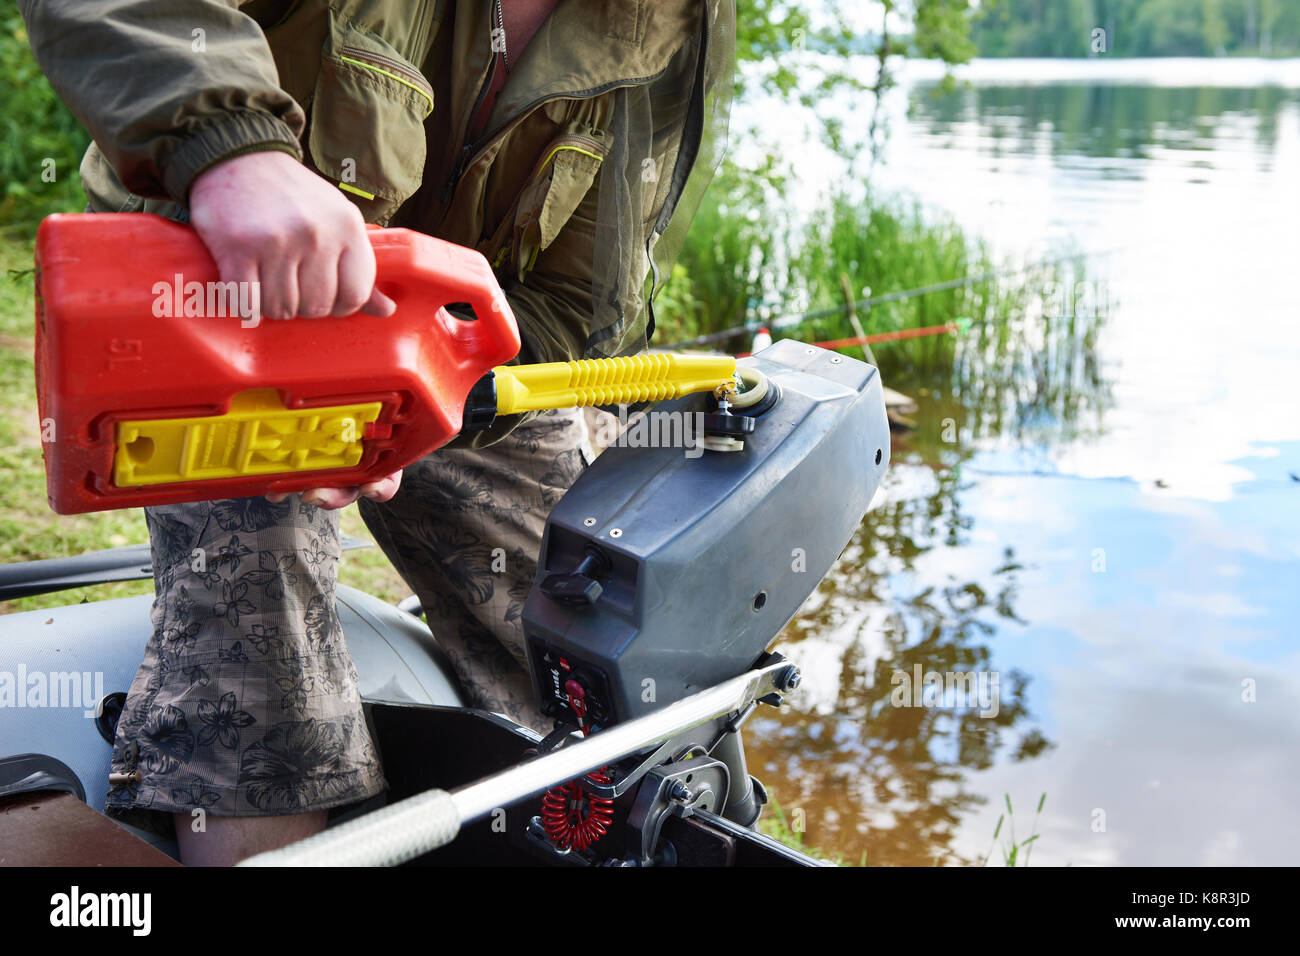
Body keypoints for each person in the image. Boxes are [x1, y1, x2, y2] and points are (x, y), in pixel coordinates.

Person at [19, 0, 733, 865]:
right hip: (221, 311)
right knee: (259, 607)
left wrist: (425, 400)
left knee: (592, 606)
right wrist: (226, 145)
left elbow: (579, 299)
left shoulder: (669, 21)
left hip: (454, 354)